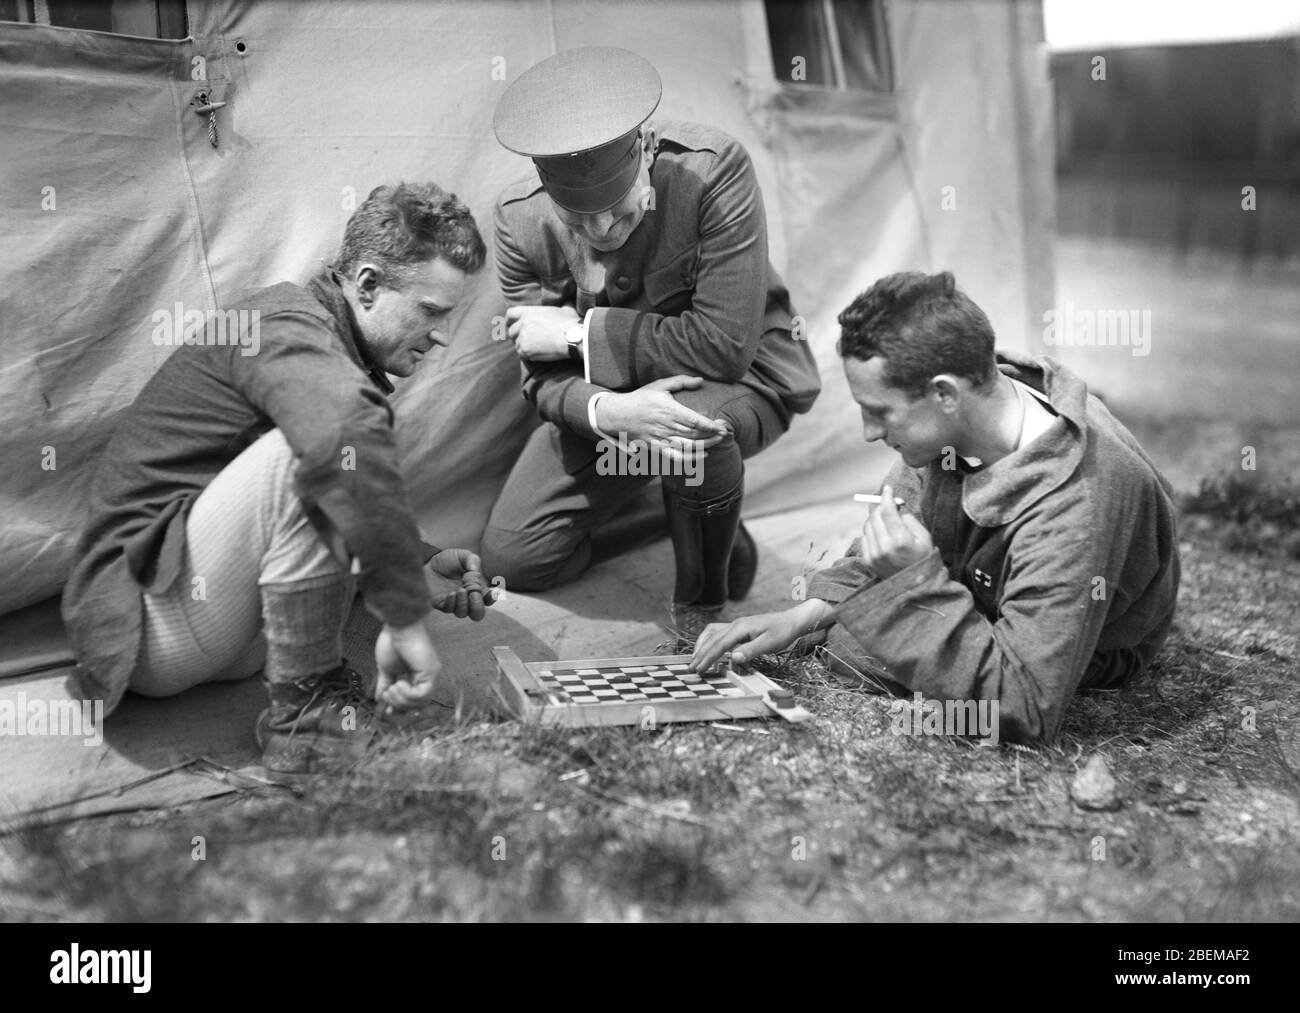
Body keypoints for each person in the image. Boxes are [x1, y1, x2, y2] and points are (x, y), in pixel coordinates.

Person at [62, 182, 491, 777]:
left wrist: (418, 562)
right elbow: (336, 437)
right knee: (314, 452)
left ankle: (329, 705)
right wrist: (403, 615)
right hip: (148, 625)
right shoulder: (282, 322)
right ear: (366, 285)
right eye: (431, 311)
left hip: (221, 617)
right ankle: (307, 730)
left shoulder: (329, 342)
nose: (442, 335)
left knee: (348, 488)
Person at [692, 271, 1181, 744]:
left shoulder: (1077, 505)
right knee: (854, 642)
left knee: (859, 649)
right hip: (983, 592)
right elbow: (880, 551)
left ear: (944, 393)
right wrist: (798, 619)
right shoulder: (966, 418)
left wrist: (914, 587)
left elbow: (1025, 710)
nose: (870, 432)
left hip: (1092, 647)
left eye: (880, 411)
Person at [479, 46, 821, 645]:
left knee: (696, 430)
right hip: (612, 406)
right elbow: (541, 380)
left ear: (642, 154)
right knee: (517, 558)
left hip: (740, 382)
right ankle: (681, 513)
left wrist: (575, 333)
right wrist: (610, 411)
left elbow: (722, 348)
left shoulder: (710, 171)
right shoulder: (519, 222)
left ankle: (700, 599)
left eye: (618, 208)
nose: (603, 232)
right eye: (579, 219)